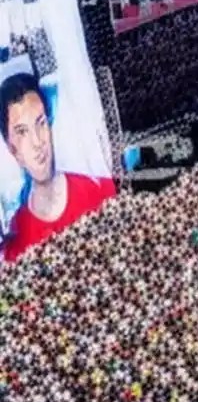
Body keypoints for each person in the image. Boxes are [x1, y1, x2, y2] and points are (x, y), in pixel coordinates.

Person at [1, 72, 114, 263]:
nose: (37, 141)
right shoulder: (16, 244)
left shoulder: (99, 193)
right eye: (22, 132)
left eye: (41, 123)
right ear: (13, 150)